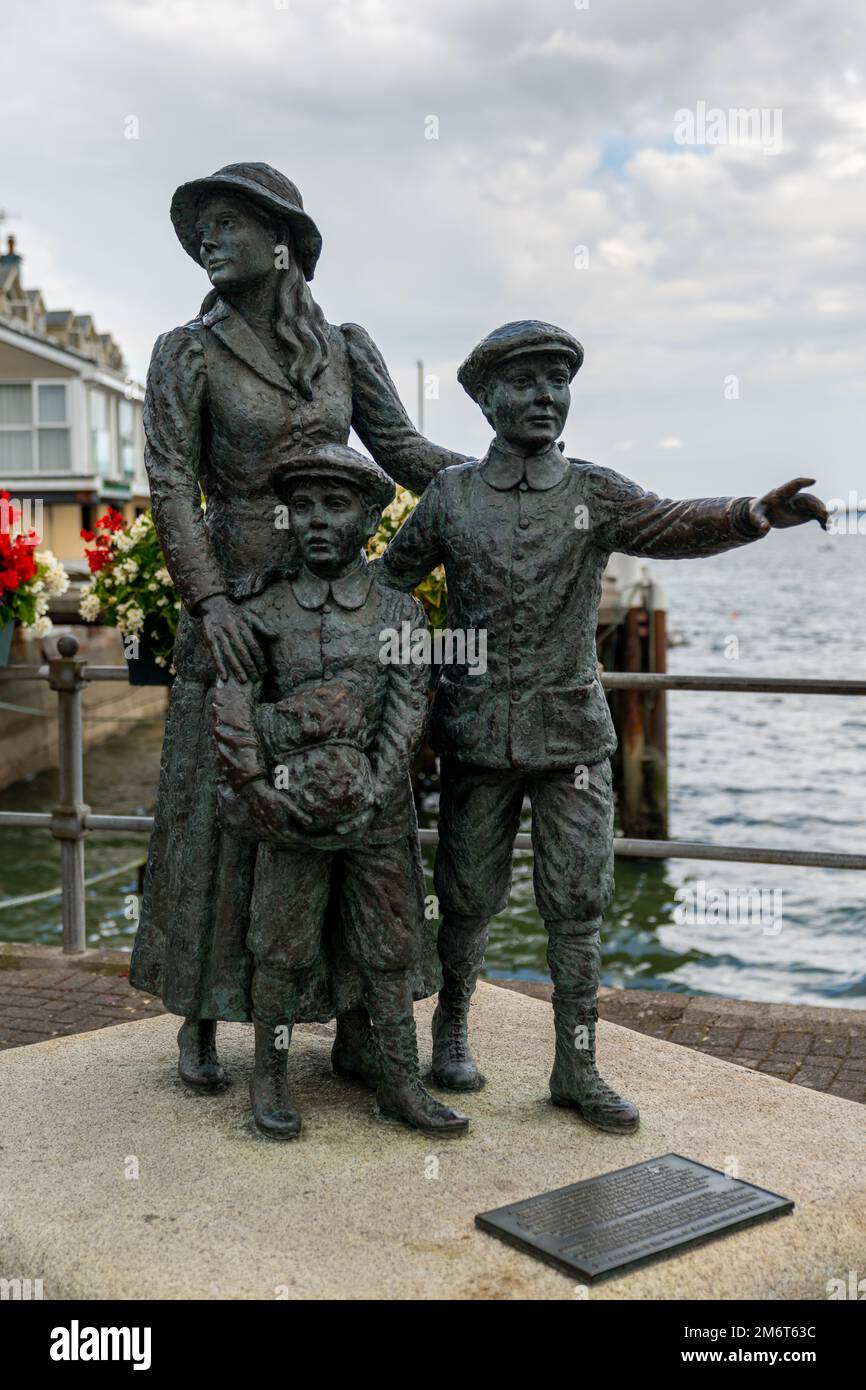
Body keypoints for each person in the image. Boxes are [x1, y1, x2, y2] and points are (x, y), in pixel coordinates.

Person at [376, 319, 828, 1135]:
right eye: (523, 381)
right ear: (484, 399)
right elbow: (389, 591)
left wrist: (754, 513)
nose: (544, 395)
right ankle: (450, 1031)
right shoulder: (451, 498)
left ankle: (575, 1065)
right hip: (475, 733)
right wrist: (429, 662)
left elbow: (670, 523)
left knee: (578, 904)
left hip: (573, 740)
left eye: (556, 379)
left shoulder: (592, 493)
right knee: (466, 896)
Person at [128, 163, 465, 1092]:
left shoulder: (346, 348)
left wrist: (498, 476)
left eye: (228, 221)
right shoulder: (184, 352)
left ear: (284, 239)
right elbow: (171, 487)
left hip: (335, 604)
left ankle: (357, 1016)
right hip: (234, 607)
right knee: (212, 811)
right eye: (201, 225)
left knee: (342, 795)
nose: (208, 238)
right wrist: (210, 604)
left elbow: (402, 454)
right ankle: (198, 1011)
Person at [211, 443, 468, 1140]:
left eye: (336, 505)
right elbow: (232, 705)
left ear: (369, 519)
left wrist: (373, 794)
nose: (317, 520)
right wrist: (262, 790)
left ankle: (399, 1079)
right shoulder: (260, 610)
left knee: (390, 944)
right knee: (281, 946)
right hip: (286, 812)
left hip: (375, 817)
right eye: (303, 507)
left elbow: (407, 711)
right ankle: (271, 1074)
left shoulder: (401, 613)